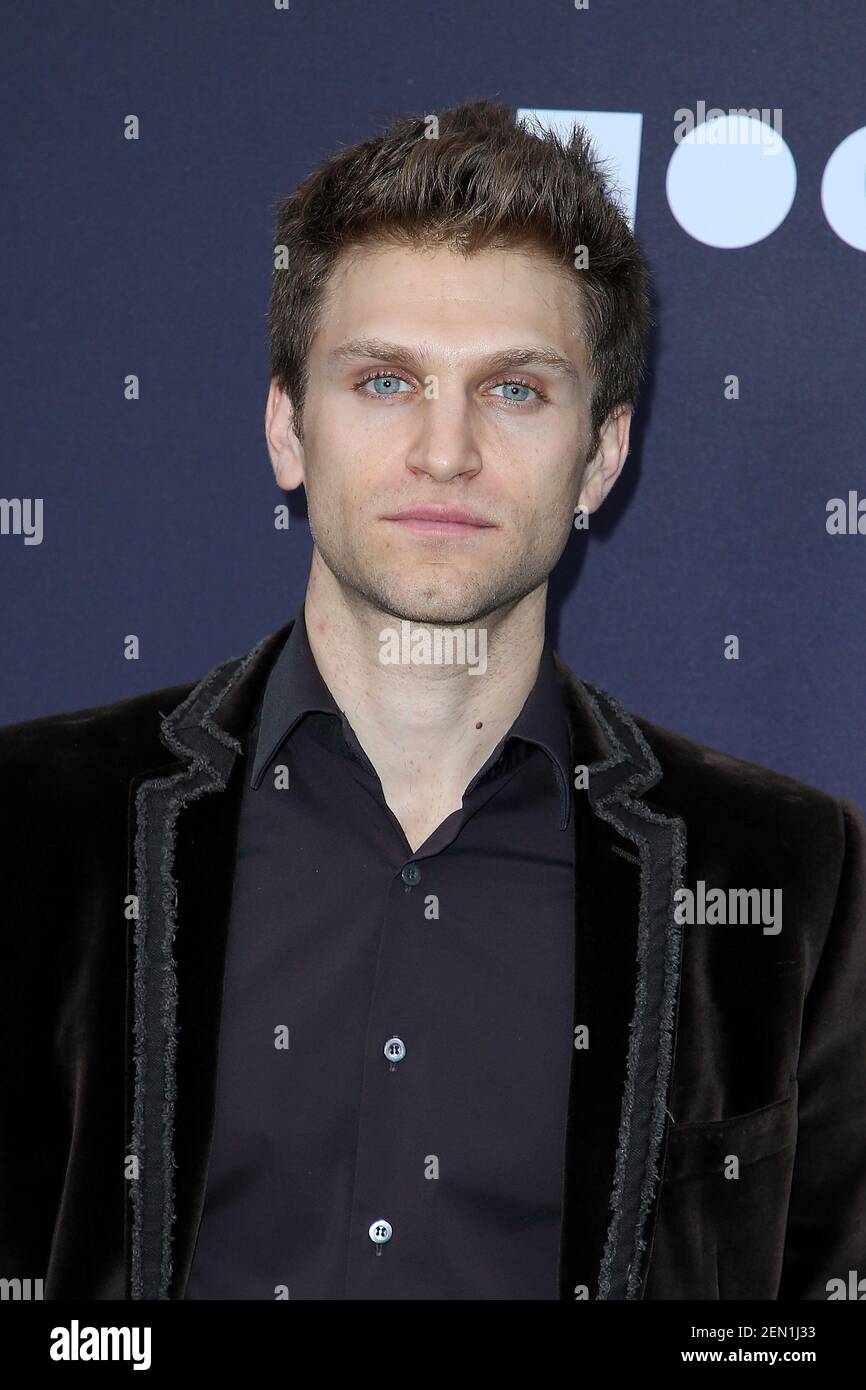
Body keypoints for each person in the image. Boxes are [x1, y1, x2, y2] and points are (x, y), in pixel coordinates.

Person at [1, 99, 864, 1302]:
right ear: (286, 429)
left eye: (513, 391)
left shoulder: (790, 869)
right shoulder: (36, 825)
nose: (444, 451)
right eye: (383, 380)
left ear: (601, 458)